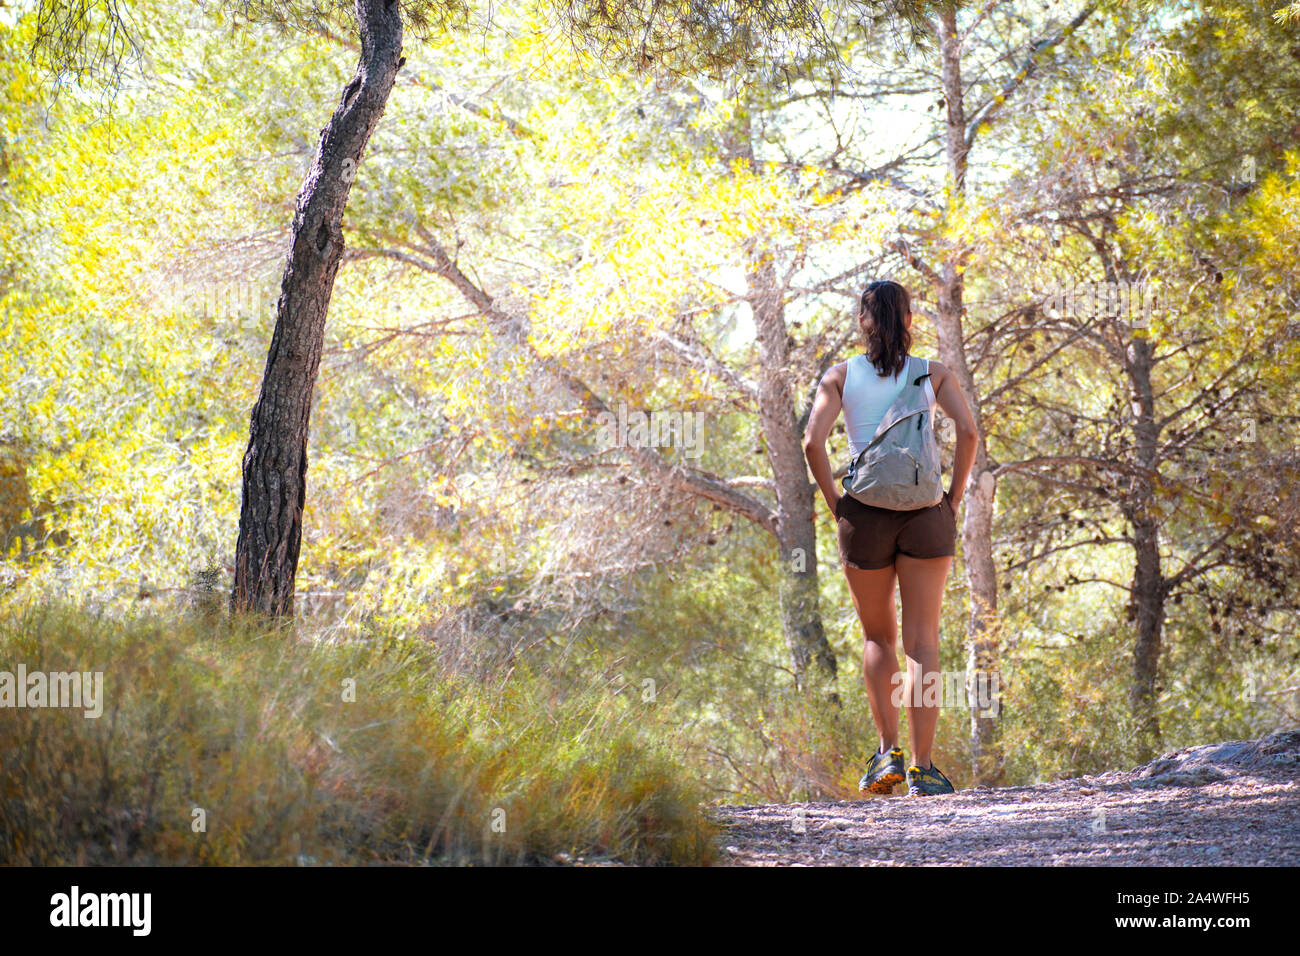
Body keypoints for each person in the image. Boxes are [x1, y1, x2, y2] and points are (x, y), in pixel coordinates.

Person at [802, 280, 977, 796]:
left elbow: (813, 442)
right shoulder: (934, 373)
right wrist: (953, 498)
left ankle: (887, 758)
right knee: (924, 640)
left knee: (879, 637)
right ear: (907, 319)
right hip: (926, 512)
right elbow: (968, 434)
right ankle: (925, 767)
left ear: (863, 321)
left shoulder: (839, 377)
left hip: (866, 516)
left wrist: (838, 505)